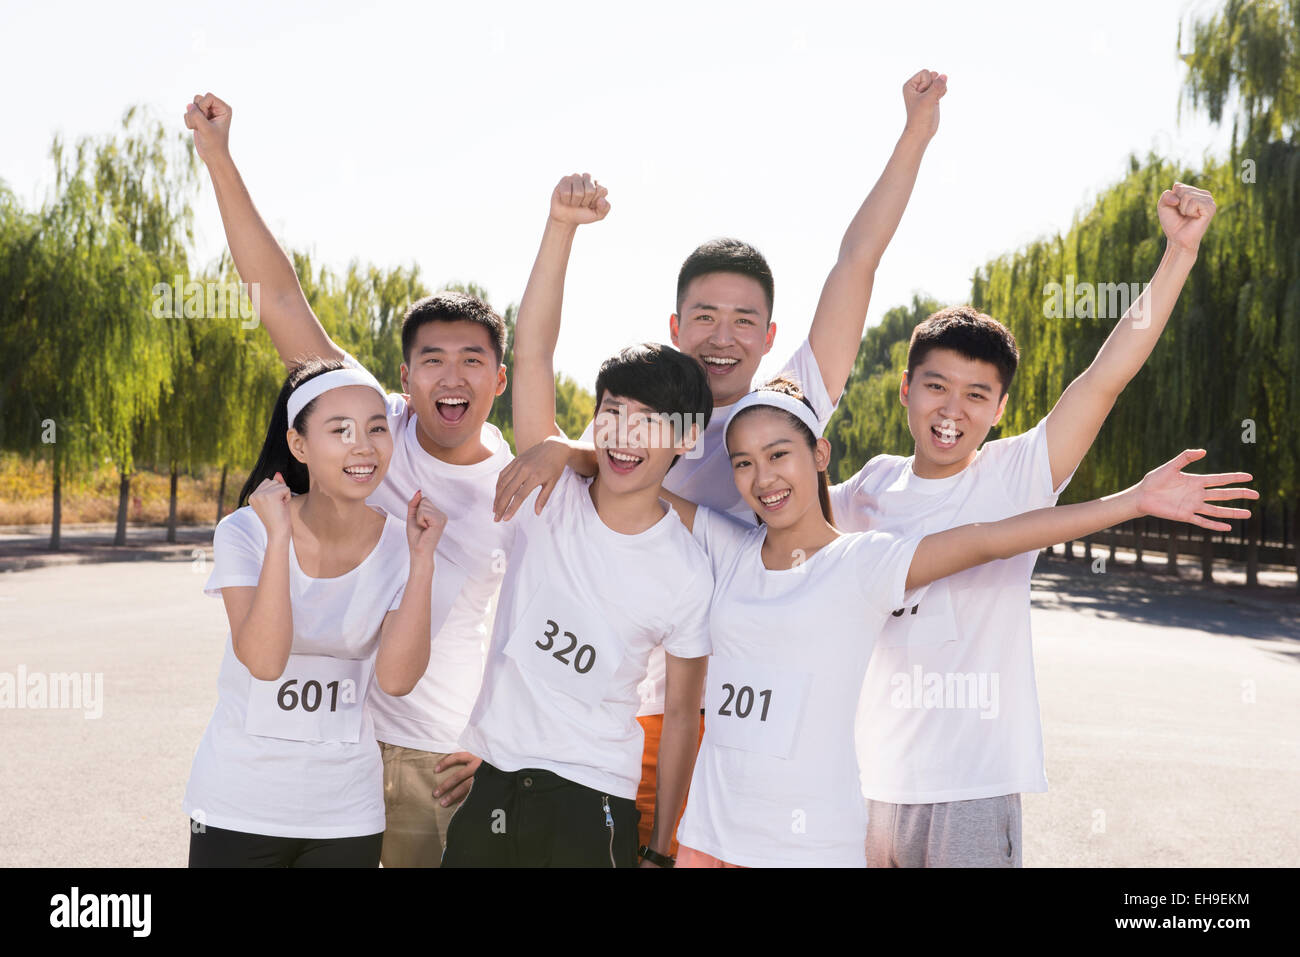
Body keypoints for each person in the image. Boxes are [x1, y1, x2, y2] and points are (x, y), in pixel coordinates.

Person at [492, 68, 947, 853]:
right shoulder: (633, 427)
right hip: (627, 709)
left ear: (772, 335)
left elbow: (857, 261)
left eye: (745, 319)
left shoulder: (786, 405)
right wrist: (575, 451)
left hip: (739, 709)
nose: (723, 335)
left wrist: (914, 133)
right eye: (704, 315)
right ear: (676, 324)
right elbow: (537, 365)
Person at [656, 377, 1254, 867]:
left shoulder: (862, 562)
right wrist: (572, 450)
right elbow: (628, 487)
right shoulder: (727, 546)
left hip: (811, 843)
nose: (763, 478)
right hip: (710, 833)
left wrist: (1131, 502)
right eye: (743, 463)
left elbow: (992, 539)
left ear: (818, 454)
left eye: (779, 454)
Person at [828, 182, 1219, 866]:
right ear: (906, 388)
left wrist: (1177, 254)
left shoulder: (1014, 476)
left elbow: (1104, 378)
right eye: (936, 385)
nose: (953, 408)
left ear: (1001, 407)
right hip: (866, 783)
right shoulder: (870, 485)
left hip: (971, 785)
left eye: (977, 394)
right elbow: (774, 508)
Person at [185, 92, 513, 867]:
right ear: (404, 376)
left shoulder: (522, 480)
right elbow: (279, 295)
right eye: (433, 359)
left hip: (447, 759)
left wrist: (497, 741)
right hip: (358, 753)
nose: (452, 376)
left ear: (501, 377)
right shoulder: (369, 422)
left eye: (474, 359)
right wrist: (220, 159)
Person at [441, 179, 714, 867]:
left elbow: (681, 714)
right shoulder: (549, 490)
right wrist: (560, 225)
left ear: (685, 439)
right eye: (614, 411)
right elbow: (531, 353)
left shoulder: (687, 570)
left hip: (594, 798)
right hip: (494, 777)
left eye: (650, 422)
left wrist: (659, 848)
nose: (625, 434)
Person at [184, 358, 447, 867]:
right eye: (340, 430)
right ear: (299, 444)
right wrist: (279, 536)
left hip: (346, 812)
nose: (363, 446)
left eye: (376, 428)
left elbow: (395, 679)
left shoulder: (402, 542)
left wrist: (421, 562)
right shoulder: (245, 531)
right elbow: (264, 660)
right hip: (238, 801)